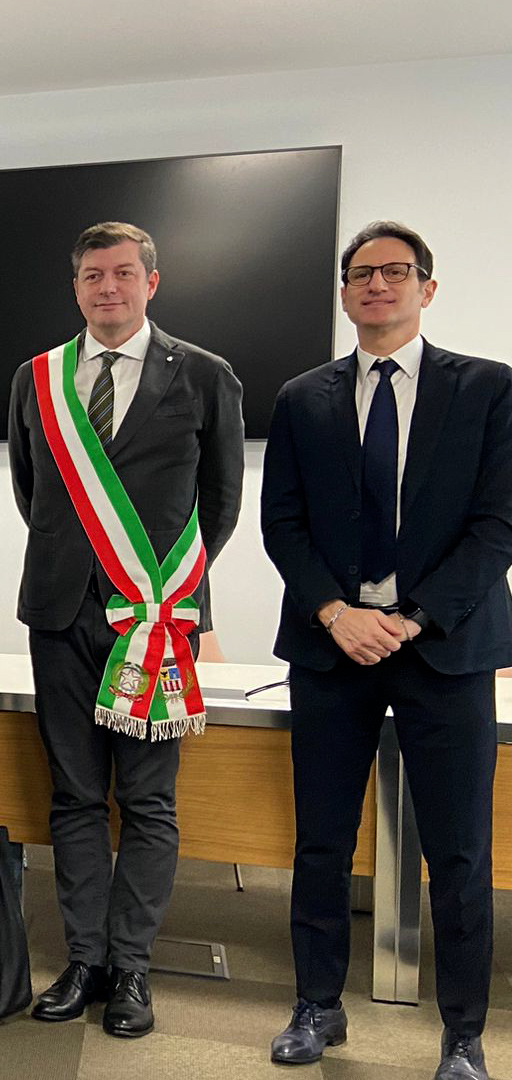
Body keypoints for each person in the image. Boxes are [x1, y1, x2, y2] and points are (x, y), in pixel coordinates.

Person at [262, 221, 511, 1080]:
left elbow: (497, 526)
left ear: (427, 288)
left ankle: (464, 1035)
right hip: (332, 646)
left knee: (459, 851)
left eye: (396, 272)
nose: (377, 284)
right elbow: (282, 524)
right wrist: (337, 612)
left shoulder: (489, 389)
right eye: (361, 273)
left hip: (444, 649)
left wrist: (410, 619)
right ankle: (316, 1006)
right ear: (343, 293)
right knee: (322, 841)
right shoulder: (303, 397)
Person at [5, 222, 245, 1038]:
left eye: (122, 274)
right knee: (73, 794)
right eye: (91, 276)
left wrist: (159, 586)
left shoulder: (205, 375)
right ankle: (86, 960)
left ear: (151, 281)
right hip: (61, 616)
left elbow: (221, 503)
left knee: (148, 800)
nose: (107, 288)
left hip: (155, 621)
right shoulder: (37, 378)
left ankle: (133, 968)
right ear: (75, 287)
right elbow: (33, 491)